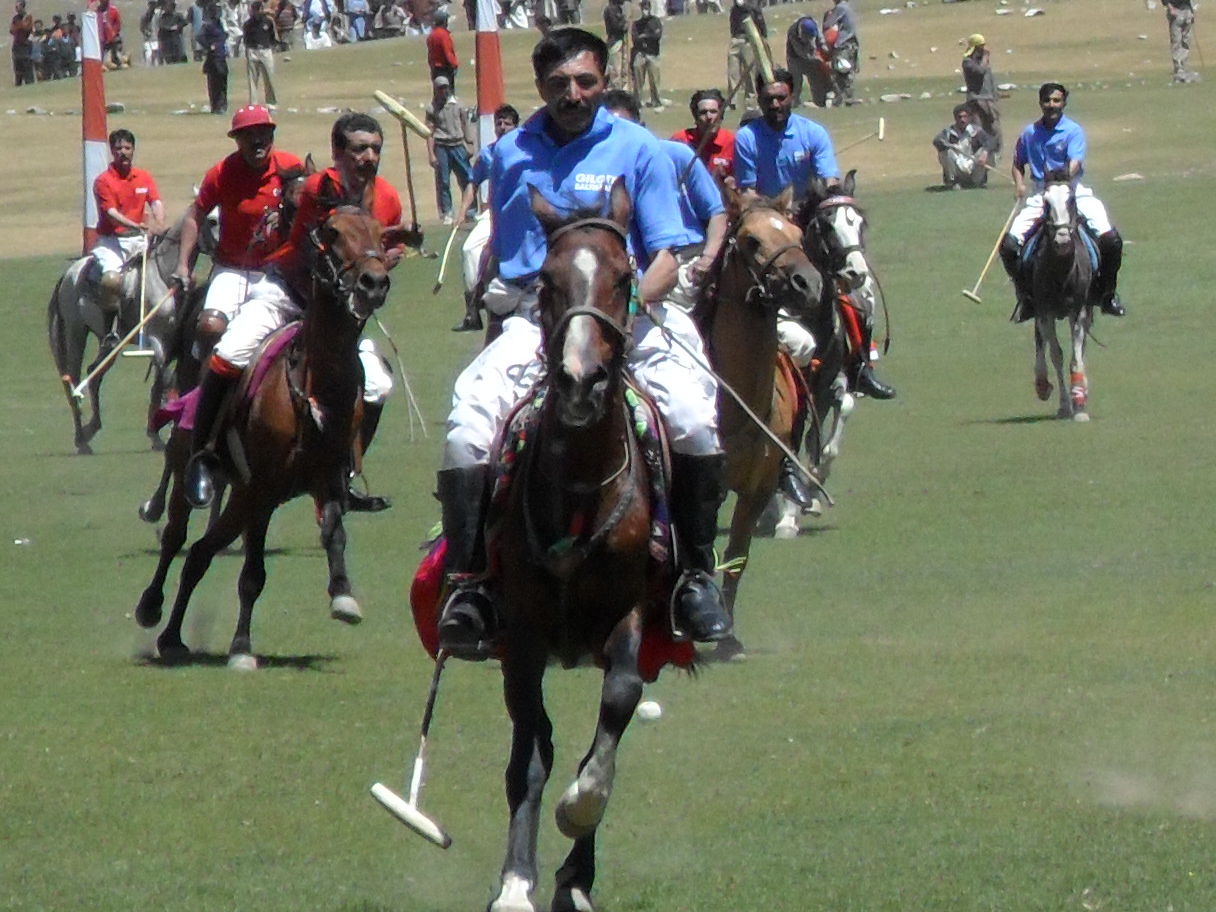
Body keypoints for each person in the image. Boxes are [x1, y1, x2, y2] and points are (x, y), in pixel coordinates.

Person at [435, 27, 734, 660]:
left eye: (585, 81)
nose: (573, 94)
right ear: (539, 86)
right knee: (466, 426)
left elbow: (665, 258)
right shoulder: (513, 153)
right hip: (536, 317)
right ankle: (468, 589)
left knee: (691, 417)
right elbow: (518, 264)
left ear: (602, 81)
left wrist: (617, 313)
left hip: (631, 313)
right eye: (558, 84)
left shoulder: (640, 148)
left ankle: (694, 578)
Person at [183, 111, 409, 512]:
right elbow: (303, 247)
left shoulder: (388, 199)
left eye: (375, 149)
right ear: (337, 153)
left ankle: (346, 471)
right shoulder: (317, 190)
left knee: (378, 385)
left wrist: (387, 260)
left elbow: (387, 250)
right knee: (229, 353)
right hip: (288, 291)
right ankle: (204, 456)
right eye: (359, 149)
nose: (369, 157)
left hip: (339, 314)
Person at [735, 69, 896, 402]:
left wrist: (822, 206)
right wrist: (777, 217)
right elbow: (748, 192)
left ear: (793, 96)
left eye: (781, 98)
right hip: (768, 225)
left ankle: (861, 366)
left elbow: (828, 182)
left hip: (808, 222)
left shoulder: (813, 133)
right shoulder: (748, 137)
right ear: (759, 100)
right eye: (768, 99)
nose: (775, 104)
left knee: (860, 286)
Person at [174, 104, 304, 393]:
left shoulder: (291, 168)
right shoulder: (221, 173)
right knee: (210, 327)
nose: (257, 141)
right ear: (236, 140)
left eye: (263, 133)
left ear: (272, 135)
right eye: (248, 135)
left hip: (279, 272)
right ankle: (195, 390)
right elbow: (196, 216)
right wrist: (184, 265)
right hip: (233, 270)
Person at [999, 82, 1126, 322]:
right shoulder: (1029, 133)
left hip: (1073, 190)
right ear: (1040, 103)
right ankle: (1027, 298)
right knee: (1008, 246)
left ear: (1064, 103)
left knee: (1112, 241)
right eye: (1047, 101)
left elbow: (1075, 162)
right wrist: (1019, 184)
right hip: (1041, 193)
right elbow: (1018, 162)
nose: (1051, 105)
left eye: (1056, 100)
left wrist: (1063, 178)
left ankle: (1106, 295)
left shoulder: (1073, 131)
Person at [453, 103, 520, 333]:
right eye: (498, 123)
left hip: (521, 214)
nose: (502, 127)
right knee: (470, 250)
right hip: (494, 214)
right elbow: (473, 182)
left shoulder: (525, 153)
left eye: (507, 123)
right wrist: (462, 212)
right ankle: (472, 309)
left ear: (516, 126)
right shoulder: (489, 154)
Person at [90, 130, 167, 326]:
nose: (123, 152)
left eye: (127, 147)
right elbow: (111, 213)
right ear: (111, 151)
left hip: (141, 240)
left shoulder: (143, 177)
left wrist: (159, 224)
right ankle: (110, 329)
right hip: (113, 242)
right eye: (118, 148)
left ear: (133, 150)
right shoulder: (103, 181)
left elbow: (156, 202)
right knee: (111, 280)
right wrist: (136, 225)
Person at [425, 75, 474, 226]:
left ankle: (470, 211)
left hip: (458, 144)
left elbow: (465, 124)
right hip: (441, 146)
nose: (443, 91)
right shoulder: (431, 108)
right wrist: (431, 154)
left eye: (445, 87)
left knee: (467, 178)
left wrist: (470, 143)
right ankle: (447, 213)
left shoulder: (457, 105)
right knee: (443, 181)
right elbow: (429, 132)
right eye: (440, 88)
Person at [671, 88, 735, 179]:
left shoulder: (732, 142)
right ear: (695, 117)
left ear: (721, 116)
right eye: (703, 112)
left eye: (713, 112)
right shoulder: (680, 141)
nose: (709, 117)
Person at [932, 103, 994, 190]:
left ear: (969, 118)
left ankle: (976, 181)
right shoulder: (949, 132)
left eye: (965, 117)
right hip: (957, 166)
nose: (962, 120)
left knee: (986, 152)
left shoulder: (976, 131)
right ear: (955, 118)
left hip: (972, 165)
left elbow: (990, 142)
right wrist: (945, 144)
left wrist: (985, 152)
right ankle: (953, 182)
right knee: (946, 153)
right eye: (959, 117)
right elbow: (936, 141)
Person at [961, 33, 1001, 158]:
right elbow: (980, 72)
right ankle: (976, 156)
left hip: (988, 100)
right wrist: (985, 58)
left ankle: (992, 155)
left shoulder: (984, 62)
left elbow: (989, 79)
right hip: (976, 100)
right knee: (978, 130)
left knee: (994, 130)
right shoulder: (968, 62)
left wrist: (994, 94)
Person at [726, 0, 766, 111]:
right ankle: (732, 101)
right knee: (732, 72)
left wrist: (761, 38)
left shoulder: (753, 8)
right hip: (735, 39)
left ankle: (751, 103)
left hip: (748, 40)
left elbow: (760, 21)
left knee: (750, 74)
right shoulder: (734, 9)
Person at [821, 0, 858, 106]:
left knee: (841, 71)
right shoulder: (847, 8)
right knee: (846, 71)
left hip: (843, 44)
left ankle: (844, 98)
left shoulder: (840, 8)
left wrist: (828, 15)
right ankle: (847, 97)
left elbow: (828, 24)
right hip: (851, 44)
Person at [786, 14, 828, 108]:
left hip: (810, 53)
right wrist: (812, 58)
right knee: (796, 82)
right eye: (807, 37)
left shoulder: (814, 24)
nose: (809, 39)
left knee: (815, 78)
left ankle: (819, 102)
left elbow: (820, 38)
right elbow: (799, 51)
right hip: (795, 58)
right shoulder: (793, 32)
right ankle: (794, 103)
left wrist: (824, 47)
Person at [242, 0, 278, 106]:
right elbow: (246, 39)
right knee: (253, 80)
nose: (259, 12)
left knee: (269, 78)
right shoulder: (248, 24)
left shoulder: (268, 21)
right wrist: (249, 50)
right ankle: (253, 104)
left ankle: (271, 103)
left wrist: (269, 46)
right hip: (253, 51)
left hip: (266, 50)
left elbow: (272, 36)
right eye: (256, 10)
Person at [631, 0, 663, 108]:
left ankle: (656, 100)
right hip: (640, 53)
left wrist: (645, 36)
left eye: (647, 6)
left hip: (653, 54)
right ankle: (636, 101)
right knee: (638, 80)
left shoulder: (655, 21)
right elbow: (635, 38)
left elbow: (657, 36)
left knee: (654, 79)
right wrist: (648, 36)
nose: (645, 9)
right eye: (643, 7)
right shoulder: (637, 24)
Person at [199, 1, 229, 113]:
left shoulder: (221, 24)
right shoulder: (208, 25)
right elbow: (200, 37)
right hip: (213, 58)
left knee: (223, 82)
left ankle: (223, 105)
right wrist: (209, 46)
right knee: (214, 84)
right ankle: (216, 106)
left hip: (222, 56)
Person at [1166, 0, 1198, 83]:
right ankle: (1178, 67)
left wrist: (1191, 12)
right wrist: (1170, 8)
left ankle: (1183, 64)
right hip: (1175, 9)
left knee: (1186, 40)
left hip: (1186, 10)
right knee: (1176, 40)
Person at [425, 8, 458, 89]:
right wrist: (454, 64)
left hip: (434, 67)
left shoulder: (431, 35)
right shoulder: (444, 35)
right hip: (444, 66)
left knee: (438, 89)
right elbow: (448, 51)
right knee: (447, 89)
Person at [603, 0, 628, 90]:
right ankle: (616, 90)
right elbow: (615, 26)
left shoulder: (619, 9)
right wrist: (624, 24)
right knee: (616, 69)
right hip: (615, 41)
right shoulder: (610, 10)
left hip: (621, 40)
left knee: (624, 68)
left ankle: (624, 89)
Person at [11, 0, 35, 86]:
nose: (16, 8)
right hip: (17, 46)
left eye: (18, 6)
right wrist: (20, 26)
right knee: (18, 70)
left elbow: (27, 28)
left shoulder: (28, 17)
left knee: (27, 68)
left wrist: (20, 26)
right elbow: (12, 30)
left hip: (25, 46)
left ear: (23, 6)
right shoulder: (15, 18)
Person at [97, 0, 126, 69]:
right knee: (105, 60)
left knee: (113, 57)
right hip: (101, 40)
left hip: (112, 40)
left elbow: (118, 24)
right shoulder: (97, 11)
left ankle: (121, 61)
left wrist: (114, 33)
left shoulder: (113, 10)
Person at [140, 0, 163, 66]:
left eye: (154, 4)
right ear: (149, 5)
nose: (153, 6)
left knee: (157, 58)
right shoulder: (145, 16)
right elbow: (142, 28)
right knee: (149, 57)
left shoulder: (158, 14)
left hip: (157, 39)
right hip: (148, 40)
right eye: (151, 4)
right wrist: (146, 32)